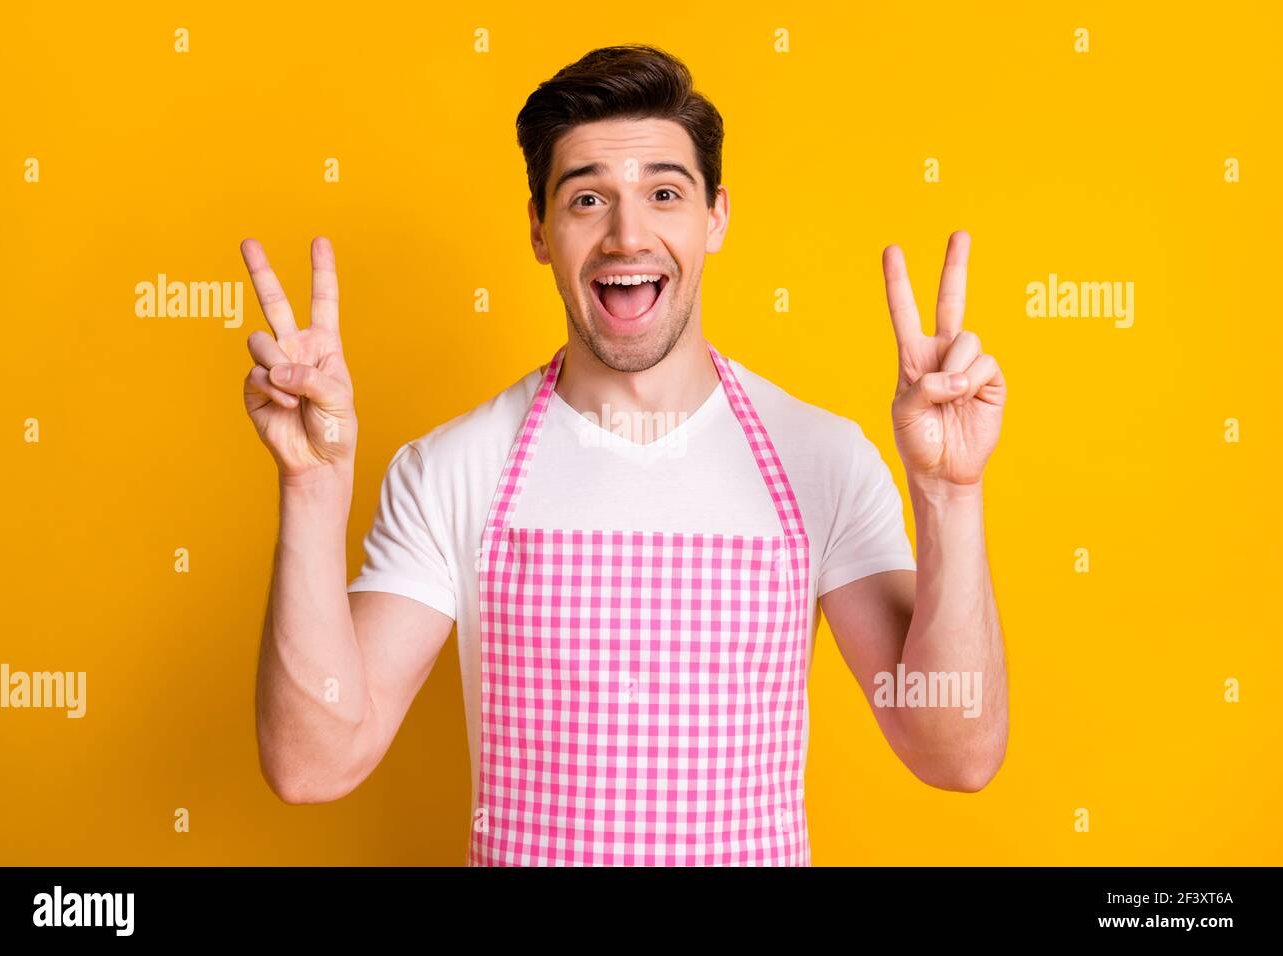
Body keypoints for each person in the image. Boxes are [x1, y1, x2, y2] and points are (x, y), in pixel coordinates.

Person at [240, 44, 1008, 866]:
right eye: (587, 198)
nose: (627, 234)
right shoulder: (455, 469)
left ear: (715, 216)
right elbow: (312, 763)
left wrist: (949, 497)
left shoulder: (821, 460)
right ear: (539, 229)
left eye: (664, 193)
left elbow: (954, 752)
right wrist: (313, 490)